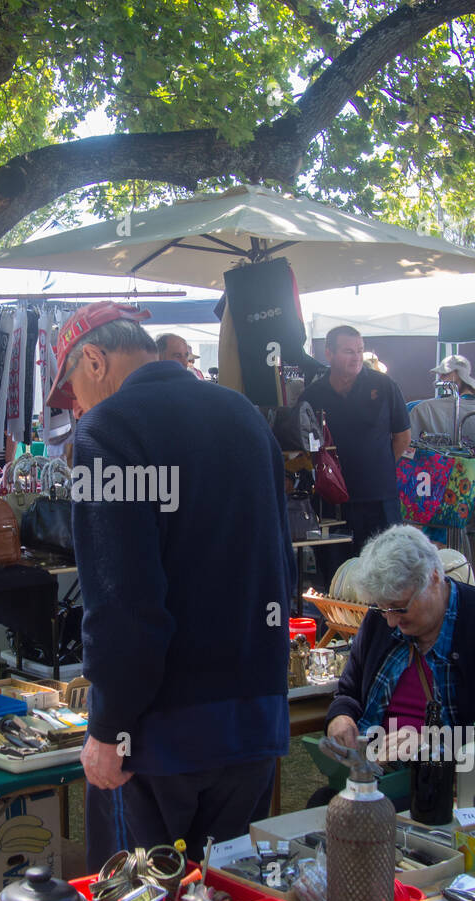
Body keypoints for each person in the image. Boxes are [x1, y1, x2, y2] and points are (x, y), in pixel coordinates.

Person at [45, 300, 294, 864]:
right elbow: (282, 564)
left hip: (163, 735)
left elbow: (122, 604)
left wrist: (109, 728)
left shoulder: (110, 428)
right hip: (252, 718)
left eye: (72, 393)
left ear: (94, 361)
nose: (76, 407)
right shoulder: (243, 414)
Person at [324, 525, 475, 754]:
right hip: (371, 769)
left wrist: (431, 745)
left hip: (448, 778)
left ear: (433, 577)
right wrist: (340, 716)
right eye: (383, 609)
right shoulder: (380, 619)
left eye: (400, 608)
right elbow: (348, 691)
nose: (391, 622)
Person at [302, 325, 411, 554]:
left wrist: (377, 467)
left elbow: (402, 437)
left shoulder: (384, 386)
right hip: (332, 500)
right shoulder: (313, 395)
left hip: (378, 498)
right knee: (335, 577)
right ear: (329, 354)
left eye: (360, 351)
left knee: (385, 571)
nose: (357, 357)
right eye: (349, 351)